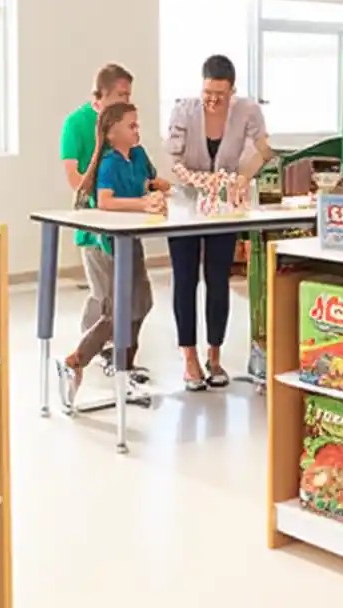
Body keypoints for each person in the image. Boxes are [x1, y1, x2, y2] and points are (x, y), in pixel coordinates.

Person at [166, 55, 273, 391]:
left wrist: (243, 178)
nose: (212, 100)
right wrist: (195, 179)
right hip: (185, 206)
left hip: (223, 205)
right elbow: (172, 158)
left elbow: (264, 149)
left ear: (233, 91)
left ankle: (215, 355)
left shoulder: (248, 111)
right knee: (185, 279)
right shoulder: (184, 110)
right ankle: (189, 358)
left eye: (220, 95)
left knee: (218, 279)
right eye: (207, 92)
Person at [59, 102, 166, 404]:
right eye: (131, 126)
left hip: (132, 239)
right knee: (116, 311)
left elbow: (149, 181)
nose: (137, 130)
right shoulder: (107, 162)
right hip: (109, 243)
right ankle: (75, 361)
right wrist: (143, 204)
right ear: (111, 133)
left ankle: (125, 369)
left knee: (141, 302)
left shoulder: (139, 156)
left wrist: (157, 190)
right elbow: (105, 201)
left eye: (137, 124)